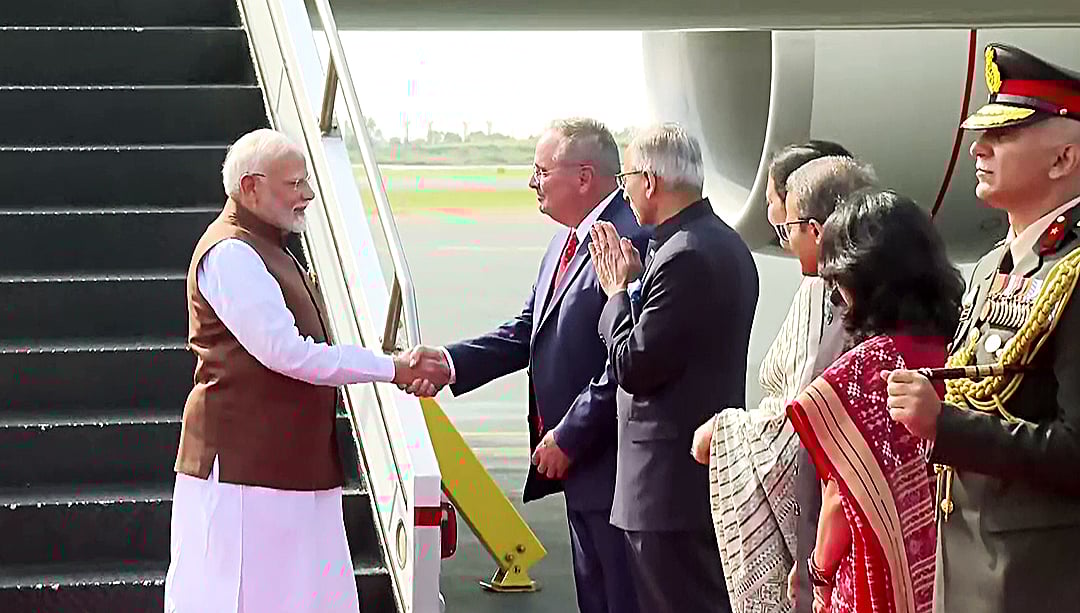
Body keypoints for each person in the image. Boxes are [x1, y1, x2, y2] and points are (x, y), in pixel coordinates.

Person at [164, 129, 426, 612]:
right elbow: (288, 353)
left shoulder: (270, 246)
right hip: (246, 469)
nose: (307, 195)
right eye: (295, 184)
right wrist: (392, 369)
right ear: (251, 187)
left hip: (287, 462)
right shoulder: (231, 254)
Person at [403, 118, 648, 613]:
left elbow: (625, 361)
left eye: (540, 171)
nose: (531, 183)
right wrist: (449, 363)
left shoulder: (628, 239)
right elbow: (529, 329)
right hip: (582, 470)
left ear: (583, 177)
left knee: (623, 599)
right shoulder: (567, 239)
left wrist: (570, 435)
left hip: (611, 465)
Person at [885, 43, 1080, 612]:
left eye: (1004, 135)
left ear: (1063, 159)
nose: (978, 148)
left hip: (1038, 578)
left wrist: (945, 425)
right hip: (972, 561)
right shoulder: (995, 266)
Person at [690, 150, 874, 613]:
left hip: (829, 523)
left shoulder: (831, 301)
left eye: (787, 227)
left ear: (816, 230)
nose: (785, 239)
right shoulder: (843, 296)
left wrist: (728, 431)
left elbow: (805, 417)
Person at [589, 122, 758, 613]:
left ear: (650, 182)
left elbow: (635, 365)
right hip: (687, 480)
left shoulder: (684, 254)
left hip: (667, 489)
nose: (625, 192)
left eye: (625, 180)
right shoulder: (716, 241)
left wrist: (617, 294)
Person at [787, 188, 965, 613]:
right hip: (957, 573)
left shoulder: (860, 374)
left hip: (873, 582)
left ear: (861, 277)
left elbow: (837, 500)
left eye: (837, 282)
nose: (836, 296)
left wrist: (817, 571)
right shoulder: (963, 346)